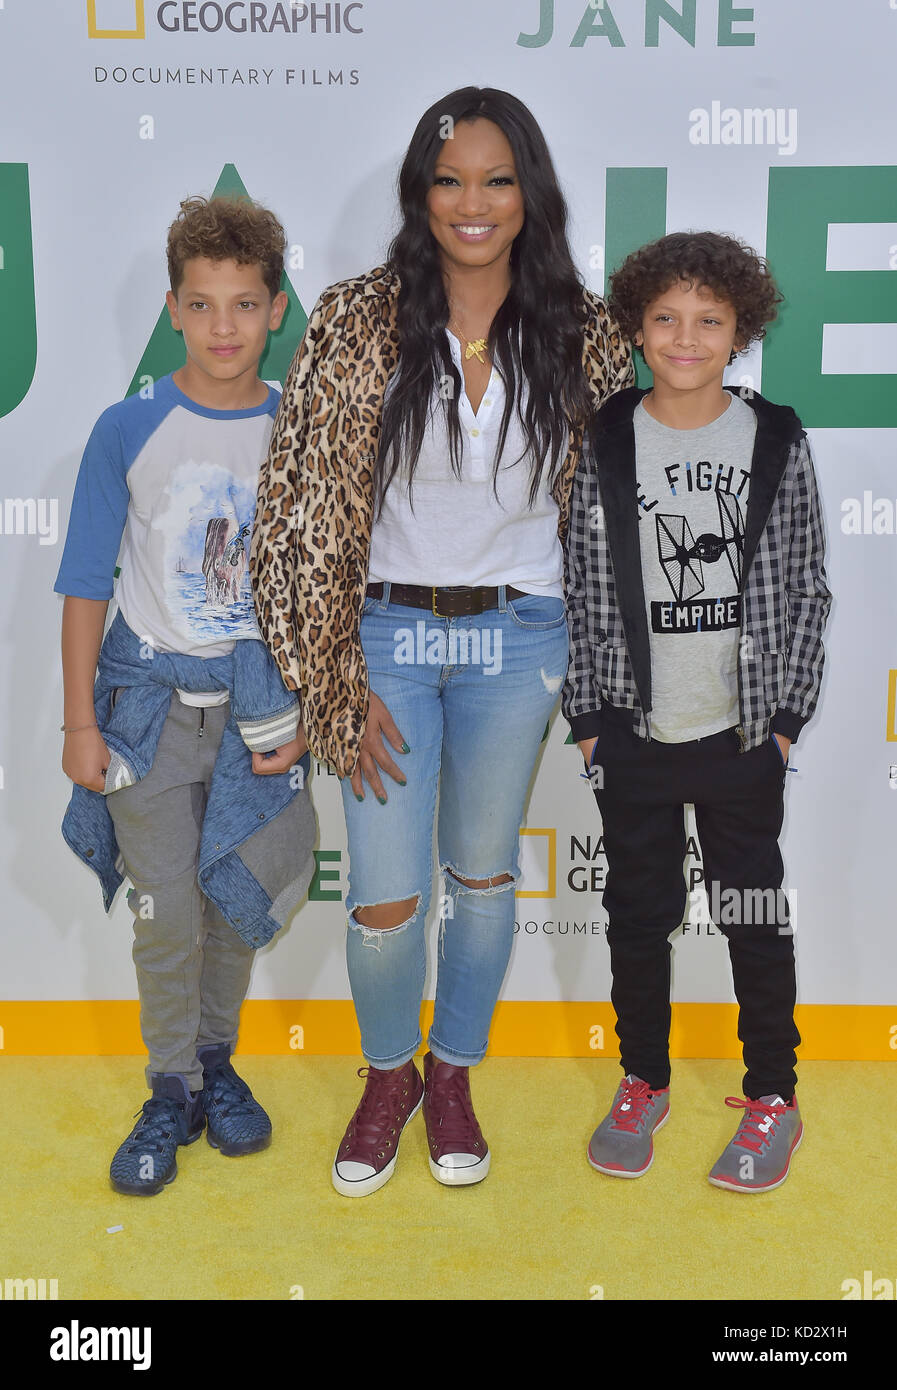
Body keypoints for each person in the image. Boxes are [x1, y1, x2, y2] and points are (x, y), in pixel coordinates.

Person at [251, 87, 633, 1197]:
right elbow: (297, 509)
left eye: (498, 179)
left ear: (531, 193)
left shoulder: (582, 325)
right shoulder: (356, 315)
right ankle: (387, 1078)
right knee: (380, 896)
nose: (473, 202)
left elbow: (613, 513)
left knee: (480, 876)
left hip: (525, 640)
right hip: (384, 639)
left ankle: (452, 1072)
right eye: (451, 178)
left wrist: (607, 678)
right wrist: (330, 676)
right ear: (421, 192)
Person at [55, 196, 316, 1196]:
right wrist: (80, 721)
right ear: (172, 307)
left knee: (228, 898)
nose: (222, 327)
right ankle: (169, 1088)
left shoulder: (298, 429)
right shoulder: (128, 427)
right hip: (145, 717)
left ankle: (216, 1063)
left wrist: (306, 721)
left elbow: (324, 587)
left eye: (244, 304)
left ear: (276, 309)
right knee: (166, 912)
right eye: (202, 303)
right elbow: (85, 584)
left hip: (260, 717)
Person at [563, 230, 831, 1192]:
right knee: (637, 915)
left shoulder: (774, 438)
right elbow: (583, 586)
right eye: (666, 319)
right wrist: (589, 719)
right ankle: (643, 1079)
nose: (685, 338)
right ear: (636, 327)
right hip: (632, 730)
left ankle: (773, 1095)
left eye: (708, 321)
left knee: (753, 913)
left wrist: (787, 714)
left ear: (740, 332)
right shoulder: (601, 436)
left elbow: (806, 586)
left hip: (742, 731)